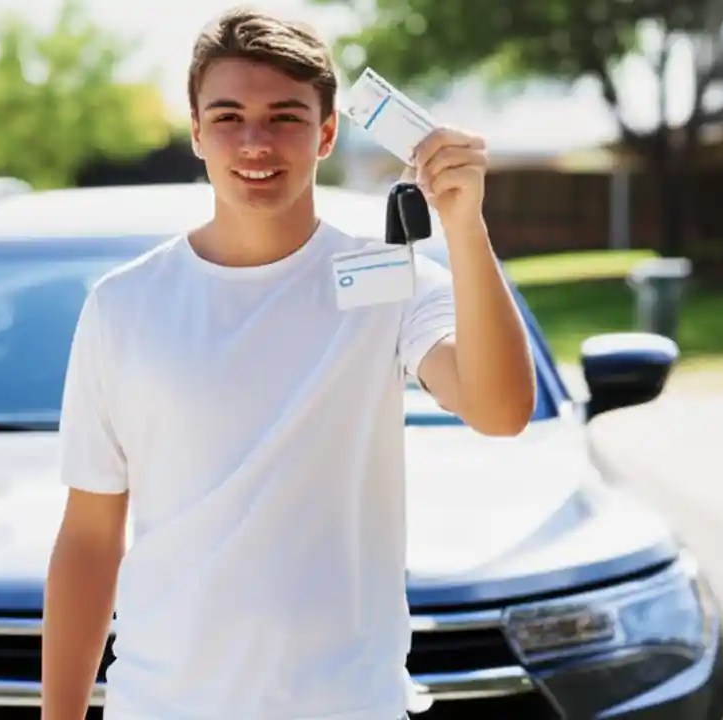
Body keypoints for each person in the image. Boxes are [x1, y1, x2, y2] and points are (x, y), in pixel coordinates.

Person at [42, 7, 536, 720]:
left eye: (284, 117)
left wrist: (464, 223)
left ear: (327, 132)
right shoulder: (123, 306)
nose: (255, 141)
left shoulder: (390, 282)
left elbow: (501, 410)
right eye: (228, 116)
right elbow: (89, 538)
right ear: (196, 132)